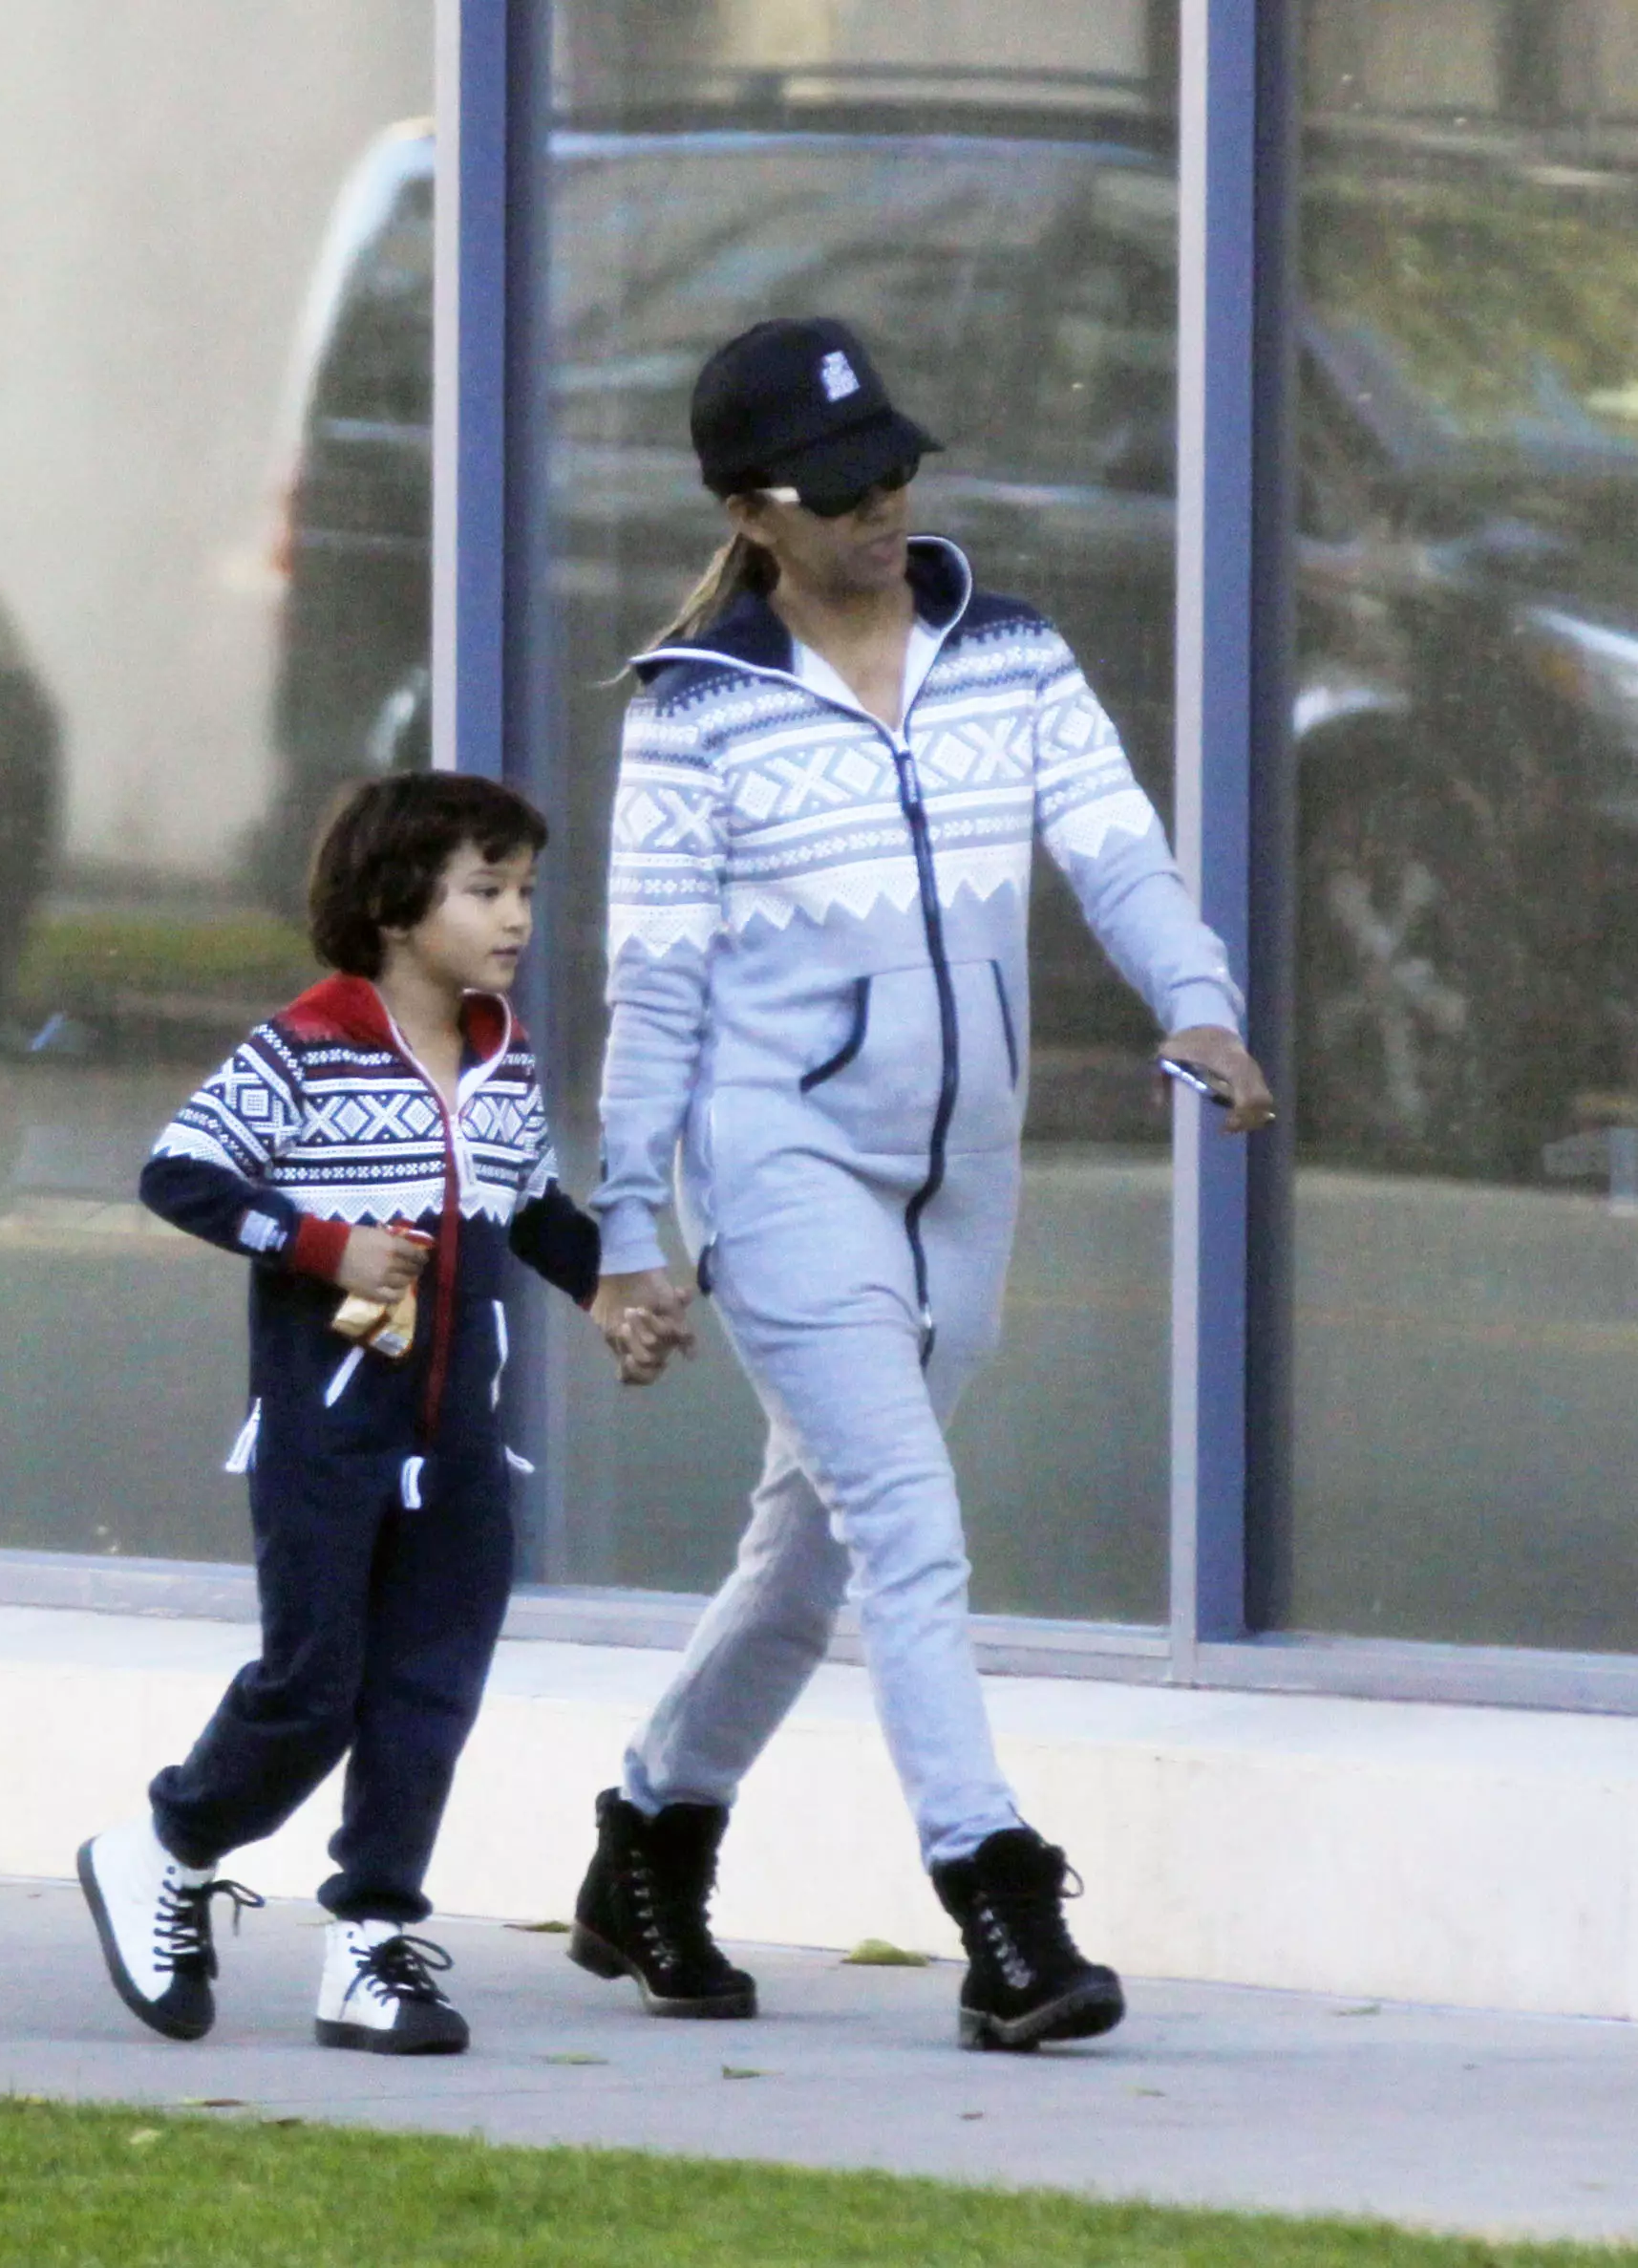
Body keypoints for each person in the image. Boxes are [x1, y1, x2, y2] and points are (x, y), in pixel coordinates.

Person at [571, 316, 1274, 2053]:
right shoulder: (694, 717)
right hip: (783, 1163)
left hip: (964, 1177)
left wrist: (1198, 1000)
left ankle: (649, 1834)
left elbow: (1114, 846)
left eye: (895, 465)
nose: (884, 501)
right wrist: (624, 1236)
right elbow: (651, 992)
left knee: (805, 1557)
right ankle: (1003, 1907)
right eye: (839, 487)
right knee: (907, 1528)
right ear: (752, 512)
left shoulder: (1008, 651)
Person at [77, 772, 636, 2056]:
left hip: (460, 1447)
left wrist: (615, 1289)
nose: (514, 919)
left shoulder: (502, 1048)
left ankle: (370, 1944)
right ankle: (162, 1840)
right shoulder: (307, 1042)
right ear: (395, 907)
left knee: (425, 1694)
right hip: (328, 1439)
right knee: (312, 1683)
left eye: (526, 893)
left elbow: (531, 1204)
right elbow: (180, 1171)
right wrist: (321, 1243)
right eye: (485, 890)